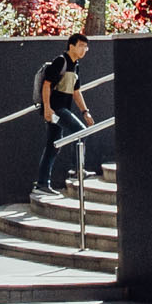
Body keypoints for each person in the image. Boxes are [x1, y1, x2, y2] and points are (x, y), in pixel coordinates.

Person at [39, 39, 99, 192]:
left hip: (61, 109)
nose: (84, 49)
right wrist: (47, 108)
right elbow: (46, 85)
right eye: (81, 46)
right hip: (56, 109)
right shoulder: (61, 61)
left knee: (52, 146)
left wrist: (85, 112)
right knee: (81, 132)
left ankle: (42, 184)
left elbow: (76, 92)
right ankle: (76, 169)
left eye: (86, 47)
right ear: (71, 46)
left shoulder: (76, 66)